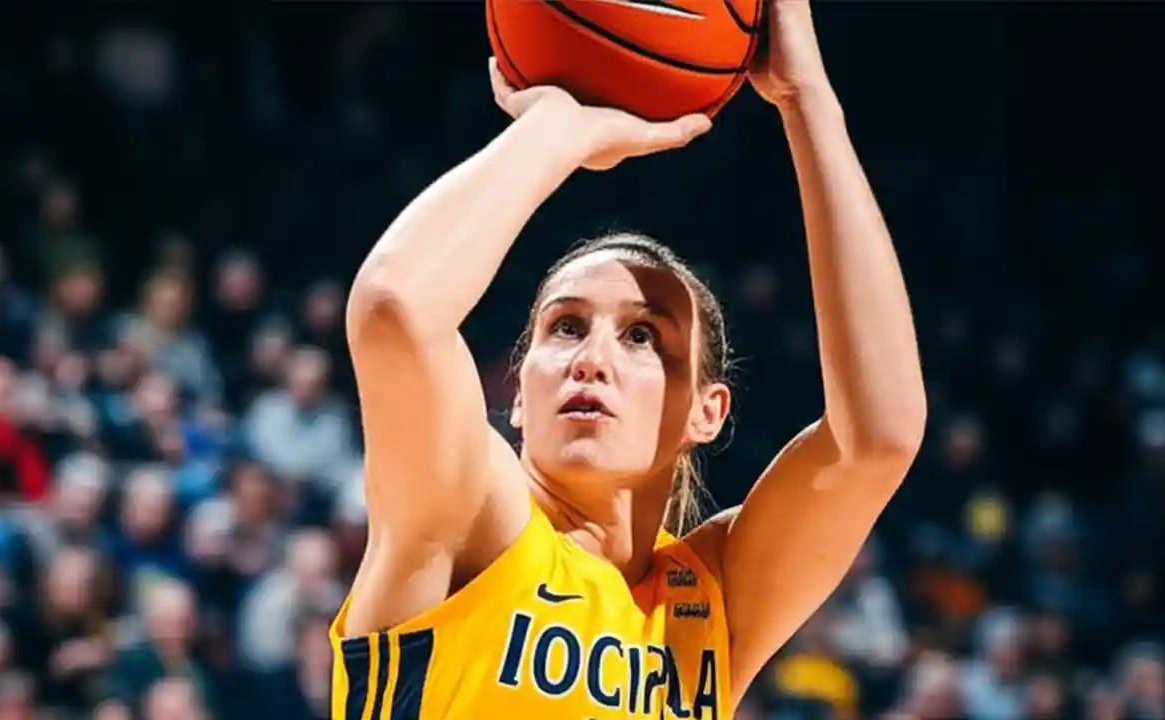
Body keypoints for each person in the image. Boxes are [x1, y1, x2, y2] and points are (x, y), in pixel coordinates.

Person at [330, 3, 926, 718]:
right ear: (519, 392)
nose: (591, 358)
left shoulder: (709, 598)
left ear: (708, 410)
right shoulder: (474, 519)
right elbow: (396, 310)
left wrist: (808, 99)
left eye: (643, 336)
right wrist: (559, 127)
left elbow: (881, 435)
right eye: (565, 327)